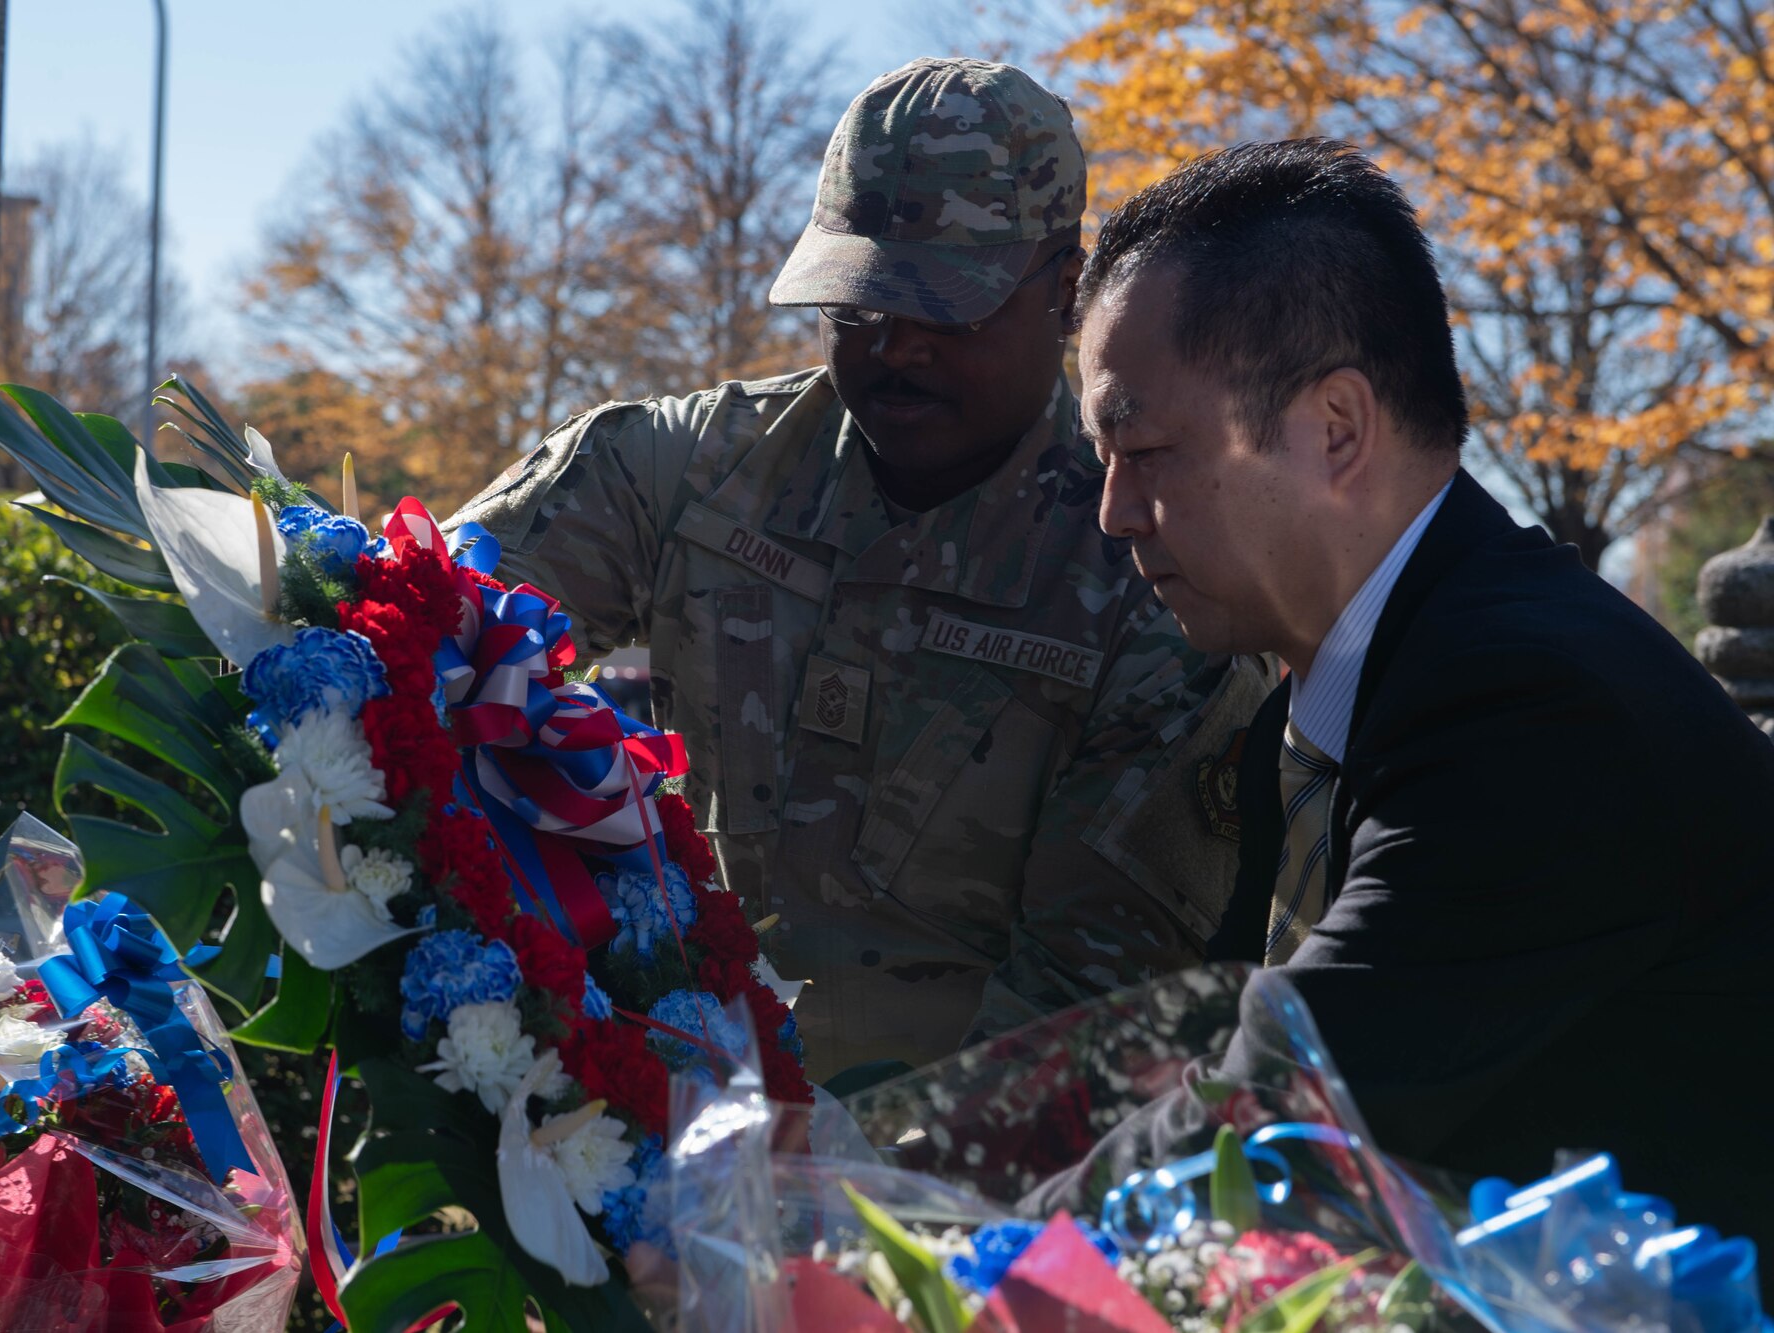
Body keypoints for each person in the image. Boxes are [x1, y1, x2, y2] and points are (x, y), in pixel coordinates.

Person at [444, 58, 1273, 1080]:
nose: (893, 349)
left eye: (944, 309)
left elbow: (1087, 1024)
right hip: (617, 1121)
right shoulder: (685, 469)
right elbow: (410, 641)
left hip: (935, 1201)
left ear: (1064, 291)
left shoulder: (1146, 584)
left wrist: (831, 1194)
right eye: (856, 304)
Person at [1041, 137, 1774, 1245]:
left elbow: (1278, 1112)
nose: (1113, 511)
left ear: (1334, 429)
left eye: (1140, 447)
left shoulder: (1530, 712)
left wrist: (945, 1252)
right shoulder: (1339, 691)